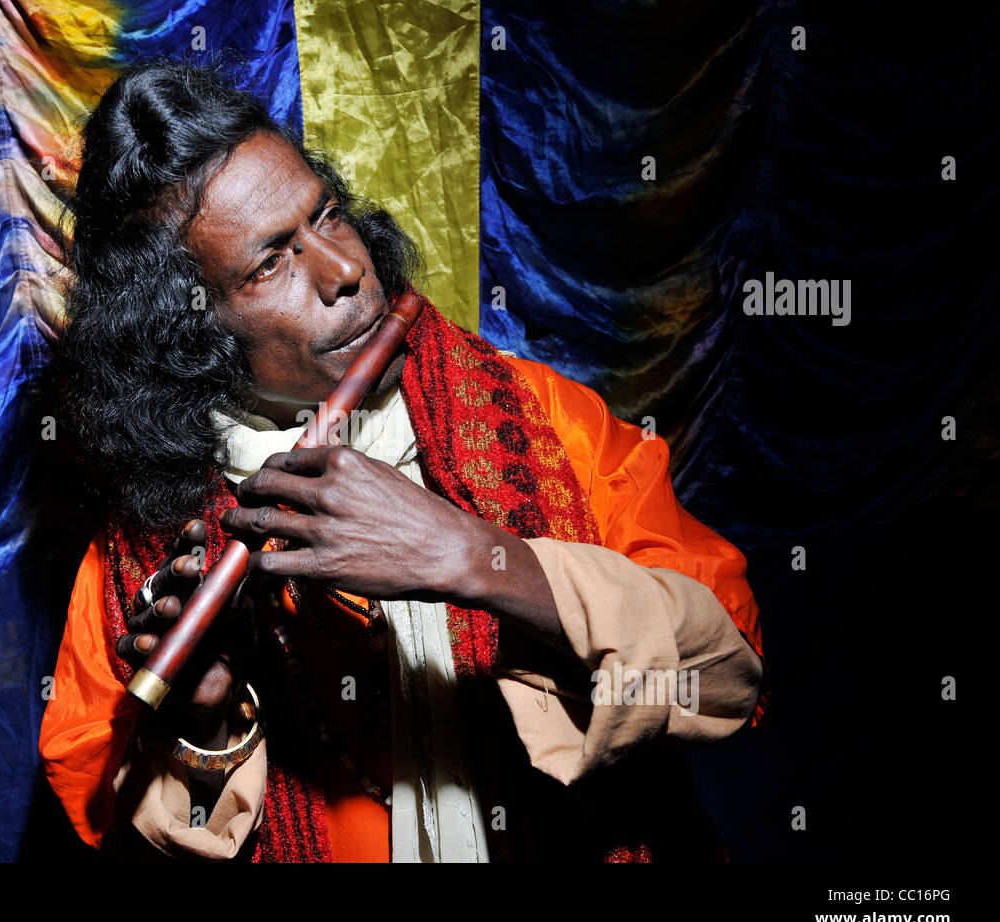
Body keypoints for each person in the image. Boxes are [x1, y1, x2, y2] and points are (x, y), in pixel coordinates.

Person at [39, 58, 767, 863]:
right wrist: (209, 723)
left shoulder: (539, 415)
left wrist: (480, 560)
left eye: (329, 215)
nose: (346, 269)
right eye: (271, 261)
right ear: (189, 330)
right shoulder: (146, 547)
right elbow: (100, 805)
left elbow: (728, 673)